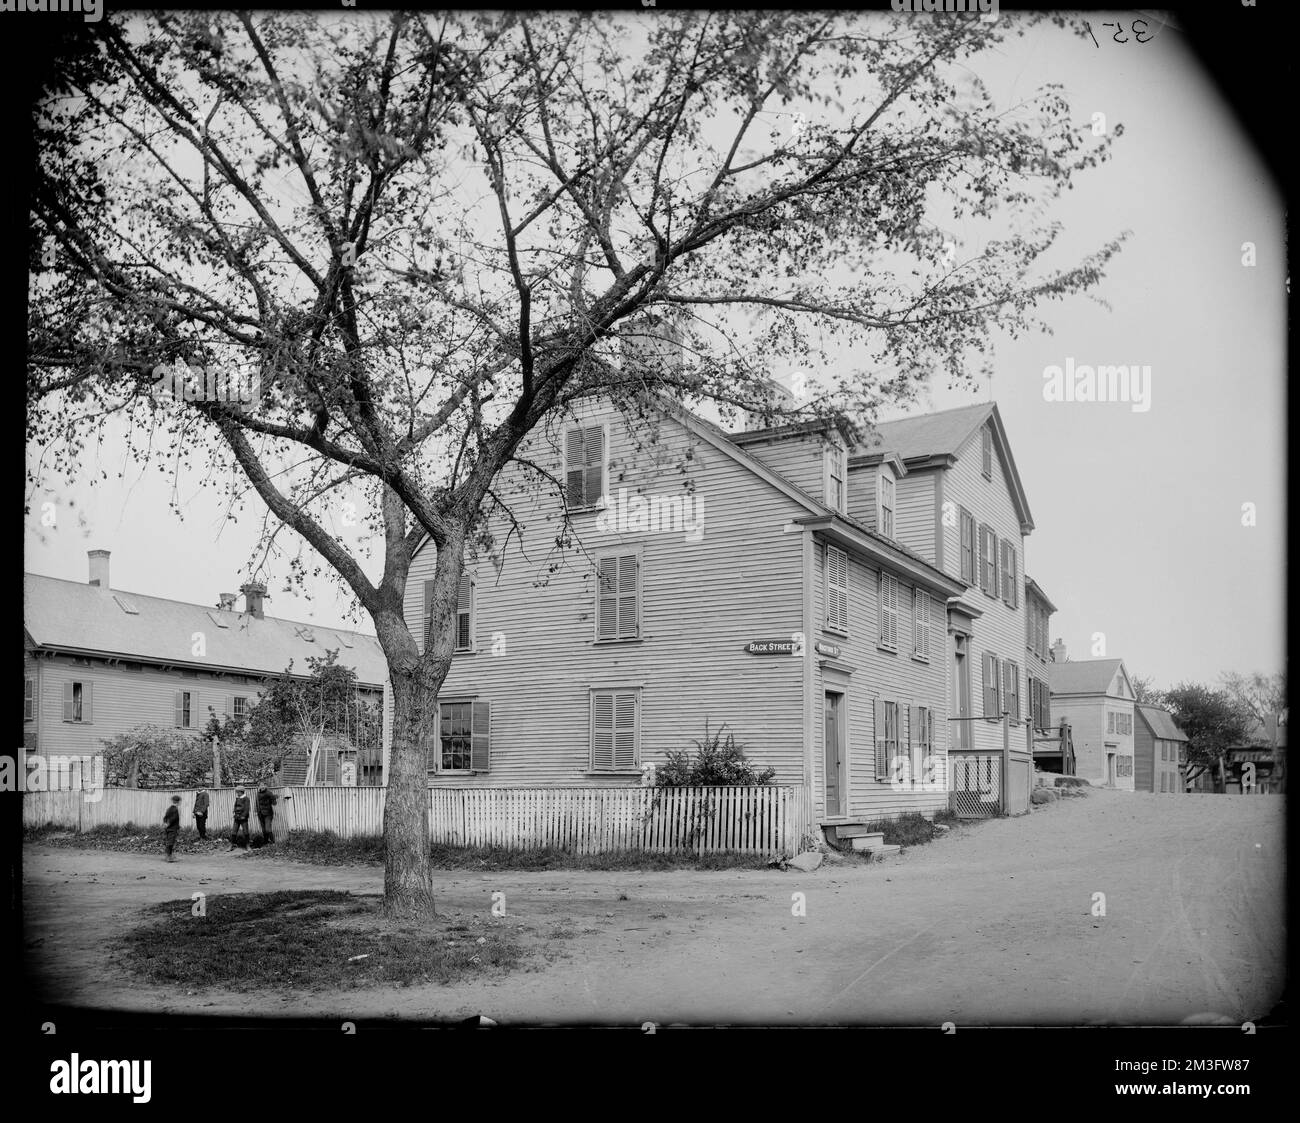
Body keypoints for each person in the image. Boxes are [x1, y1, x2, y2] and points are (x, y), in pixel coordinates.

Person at [229, 787, 251, 852]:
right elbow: (235, 806)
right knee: (234, 831)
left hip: (243, 818)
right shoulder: (238, 798)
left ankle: (247, 845)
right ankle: (232, 845)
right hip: (237, 817)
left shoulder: (246, 798)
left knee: (245, 831)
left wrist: (243, 816)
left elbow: (247, 809)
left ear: (241, 792)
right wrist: (234, 810)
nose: (236, 793)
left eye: (237, 792)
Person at [163, 795, 182, 862]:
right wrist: (168, 824)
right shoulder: (175, 809)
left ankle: (169, 855)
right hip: (172, 828)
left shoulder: (169, 808)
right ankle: (168, 857)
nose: (180, 803)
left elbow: (165, 817)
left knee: (169, 842)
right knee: (170, 842)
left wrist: (165, 823)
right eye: (180, 801)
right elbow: (174, 819)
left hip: (169, 828)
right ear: (178, 801)